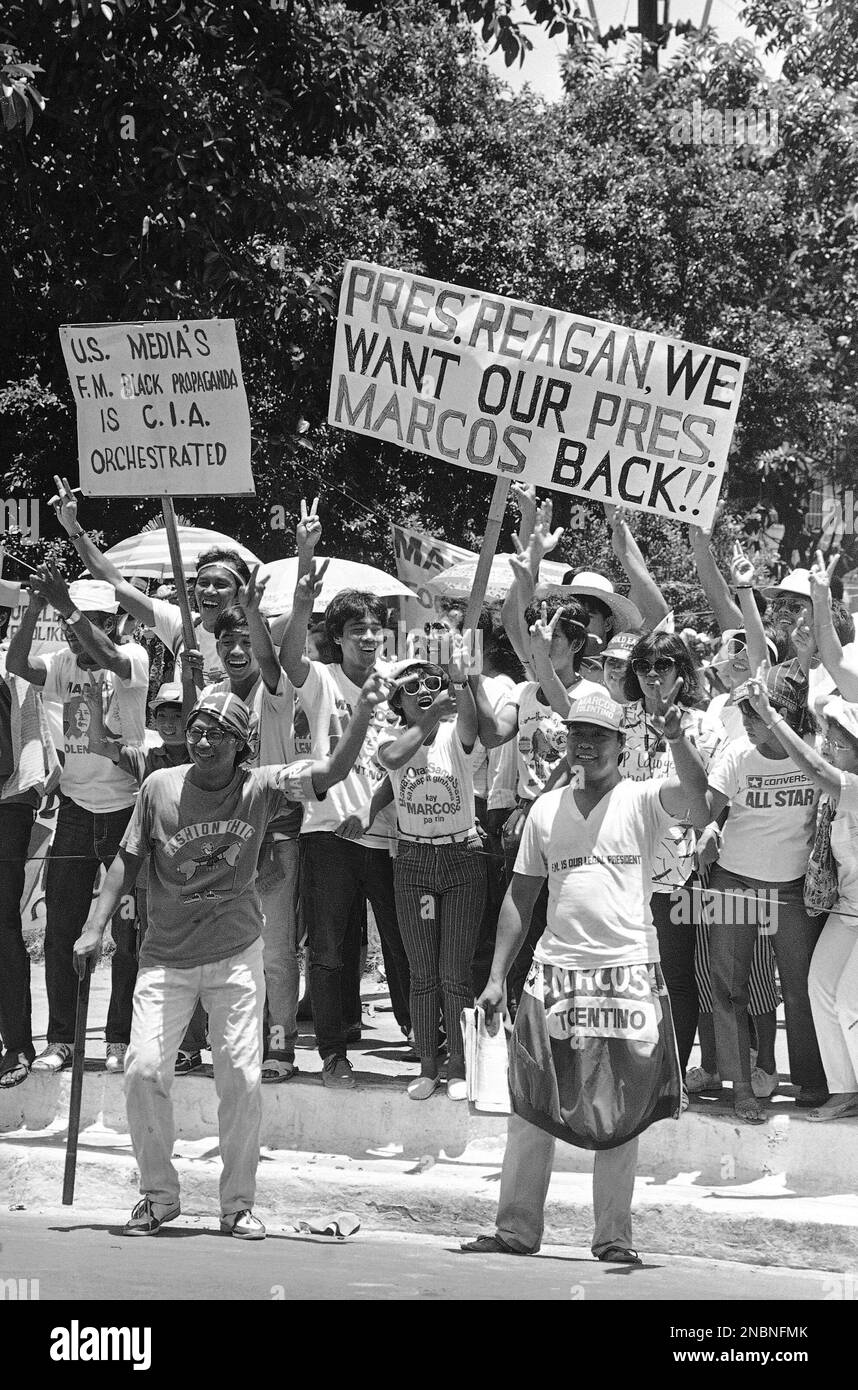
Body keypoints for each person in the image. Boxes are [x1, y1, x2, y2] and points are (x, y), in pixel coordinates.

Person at [72, 683, 387, 1239]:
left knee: (241, 1079)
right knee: (143, 1071)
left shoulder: (263, 785)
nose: (202, 740)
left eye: (217, 732)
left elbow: (332, 773)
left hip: (237, 958)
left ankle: (237, 1203)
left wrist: (361, 712)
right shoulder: (157, 787)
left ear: (241, 743)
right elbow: (126, 858)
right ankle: (158, 1197)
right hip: (165, 957)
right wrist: (94, 928)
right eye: (196, 730)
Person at [462, 688, 708, 1263]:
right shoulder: (544, 810)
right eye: (578, 734)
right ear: (567, 741)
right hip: (554, 974)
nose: (587, 744)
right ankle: (516, 1231)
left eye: (599, 735)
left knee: (621, 1110)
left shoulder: (644, 798)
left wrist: (675, 738)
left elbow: (698, 800)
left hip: (626, 972)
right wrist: (498, 976)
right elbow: (521, 897)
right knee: (531, 1104)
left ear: (622, 745)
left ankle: (614, 1240)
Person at [280, 499, 412, 1086]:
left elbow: (416, 753)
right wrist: (305, 567)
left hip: (389, 834)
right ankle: (333, 1051)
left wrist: (374, 807)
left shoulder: (403, 680)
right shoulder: (321, 680)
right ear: (335, 637)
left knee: (404, 940)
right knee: (329, 949)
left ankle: (422, 1042)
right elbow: (285, 658)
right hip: (326, 832)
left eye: (374, 628)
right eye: (355, 629)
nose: (367, 637)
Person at [6, 569, 149, 1075]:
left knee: (128, 933)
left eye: (90, 620)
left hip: (128, 810)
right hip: (72, 810)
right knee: (62, 930)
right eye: (72, 623)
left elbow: (108, 656)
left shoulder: (131, 658)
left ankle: (118, 1038)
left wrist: (66, 607)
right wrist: (36, 608)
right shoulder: (62, 660)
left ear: (115, 622)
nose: (76, 632)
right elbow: (17, 663)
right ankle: (62, 1039)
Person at [697, 665, 828, 1120]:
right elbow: (707, 811)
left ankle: (813, 1082)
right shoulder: (736, 753)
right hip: (733, 881)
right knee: (728, 990)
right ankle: (743, 1093)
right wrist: (709, 826)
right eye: (745, 714)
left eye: (757, 713)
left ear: (783, 713)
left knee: (801, 990)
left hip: (793, 890)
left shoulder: (813, 754)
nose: (748, 723)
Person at [474, 598, 604, 1011]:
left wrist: (537, 806)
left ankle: (567, 1014)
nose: (539, 646)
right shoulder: (523, 692)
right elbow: (494, 734)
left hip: (578, 823)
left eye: (551, 638)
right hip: (527, 820)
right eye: (533, 639)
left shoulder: (594, 695)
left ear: (577, 642)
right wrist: (469, 680)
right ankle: (514, 1014)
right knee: (516, 922)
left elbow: (578, 748)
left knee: (566, 924)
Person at [201, 568, 302, 1082]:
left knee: (278, 950)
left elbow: (270, 651)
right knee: (220, 945)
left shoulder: (273, 686)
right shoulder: (210, 694)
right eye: (226, 641)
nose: (236, 650)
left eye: (245, 640)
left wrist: (299, 570)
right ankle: (229, 1042)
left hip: (275, 832)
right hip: (219, 838)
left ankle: (280, 1047)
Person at [741, 681, 858, 1122]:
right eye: (828, 738)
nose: (829, 747)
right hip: (848, 911)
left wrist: (770, 717)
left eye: (839, 742)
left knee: (849, 1000)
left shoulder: (850, 785)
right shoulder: (836, 789)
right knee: (819, 989)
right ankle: (845, 1090)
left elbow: (816, 771)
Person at [377, 648, 485, 1101]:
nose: (424, 693)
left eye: (431, 684)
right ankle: (427, 1063)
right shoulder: (387, 736)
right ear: (397, 701)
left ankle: (459, 1062)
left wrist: (459, 684)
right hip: (415, 862)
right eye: (412, 688)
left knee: (453, 970)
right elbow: (395, 759)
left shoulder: (453, 734)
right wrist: (427, 718)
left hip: (460, 858)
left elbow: (472, 726)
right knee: (421, 971)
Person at [88, 680, 208, 1074]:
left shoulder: (209, 757)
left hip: (197, 879)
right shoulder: (147, 758)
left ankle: (191, 1044)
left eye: (178, 715)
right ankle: (127, 1038)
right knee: (133, 953)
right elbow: (101, 747)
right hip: (149, 881)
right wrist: (92, 708)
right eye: (163, 715)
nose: (170, 723)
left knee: (196, 960)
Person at [619, 632, 721, 1079]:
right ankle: (628, 1072)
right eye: (644, 666)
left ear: (682, 671)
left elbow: (709, 800)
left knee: (675, 977)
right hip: (618, 867)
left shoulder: (705, 725)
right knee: (623, 975)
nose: (653, 675)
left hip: (679, 872)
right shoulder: (614, 721)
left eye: (663, 666)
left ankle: (672, 1077)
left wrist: (677, 735)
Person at [51, 475, 251, 685]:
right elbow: (115, 583)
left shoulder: (256, 635)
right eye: (203, 582)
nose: (209, 590)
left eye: (220, 585)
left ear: (239, 593)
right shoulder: (182, 625)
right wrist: (73, 527)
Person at [0, 617, 60, 1089]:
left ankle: (16, 1043)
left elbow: (32, 745)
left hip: (8, 801)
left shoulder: (15, 664)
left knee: (3, 925)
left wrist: (33, 788)